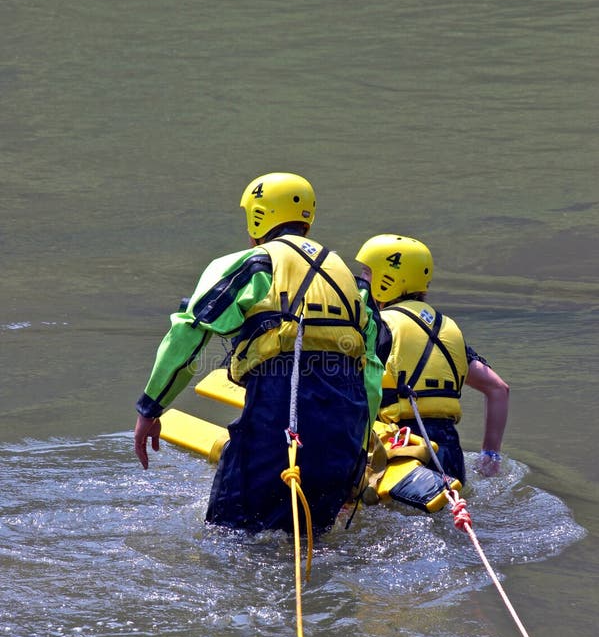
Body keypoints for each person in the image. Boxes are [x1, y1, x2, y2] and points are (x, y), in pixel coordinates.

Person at [134, 172, 384, 535]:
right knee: (309, 541)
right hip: (344, 432)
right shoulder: (351, 284)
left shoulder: (255, 263)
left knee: (227, 538)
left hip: (279, 413)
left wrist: (151, 408)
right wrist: (357, 456)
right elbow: (371, 375)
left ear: (258, 217)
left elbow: (189, 332)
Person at [355, 234, 509, 484]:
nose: (361, 280)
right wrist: (490, 455)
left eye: (366, 272)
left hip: (400, 451)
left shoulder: (379, 326)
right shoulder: (448, 330)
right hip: (450, 454)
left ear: (387, 278)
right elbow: (498, 389)